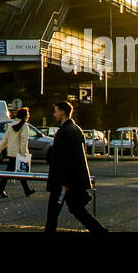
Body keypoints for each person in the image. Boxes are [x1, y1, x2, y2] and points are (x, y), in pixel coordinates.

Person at [45, 100, 107, 233]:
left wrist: (65, 182)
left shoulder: (64, 132)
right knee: (77, 210)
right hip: (73, 179)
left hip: (62, 181)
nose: (54, 114)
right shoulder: (76, 129)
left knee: (54, 213)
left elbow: (64, 159)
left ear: (62, 112)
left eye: (56, 111)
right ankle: (100, 231)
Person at [0, 107, 35, 198]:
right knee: (19, 172)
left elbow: (5, 139)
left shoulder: (12, 124)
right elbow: (23, 141)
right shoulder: (24, 125)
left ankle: (26, 190)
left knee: (16, 172)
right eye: (28, 114)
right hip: (19, 153)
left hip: (12, 152)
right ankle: (1, 189)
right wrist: (24, 154)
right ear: (25, 116)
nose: (29, 116)